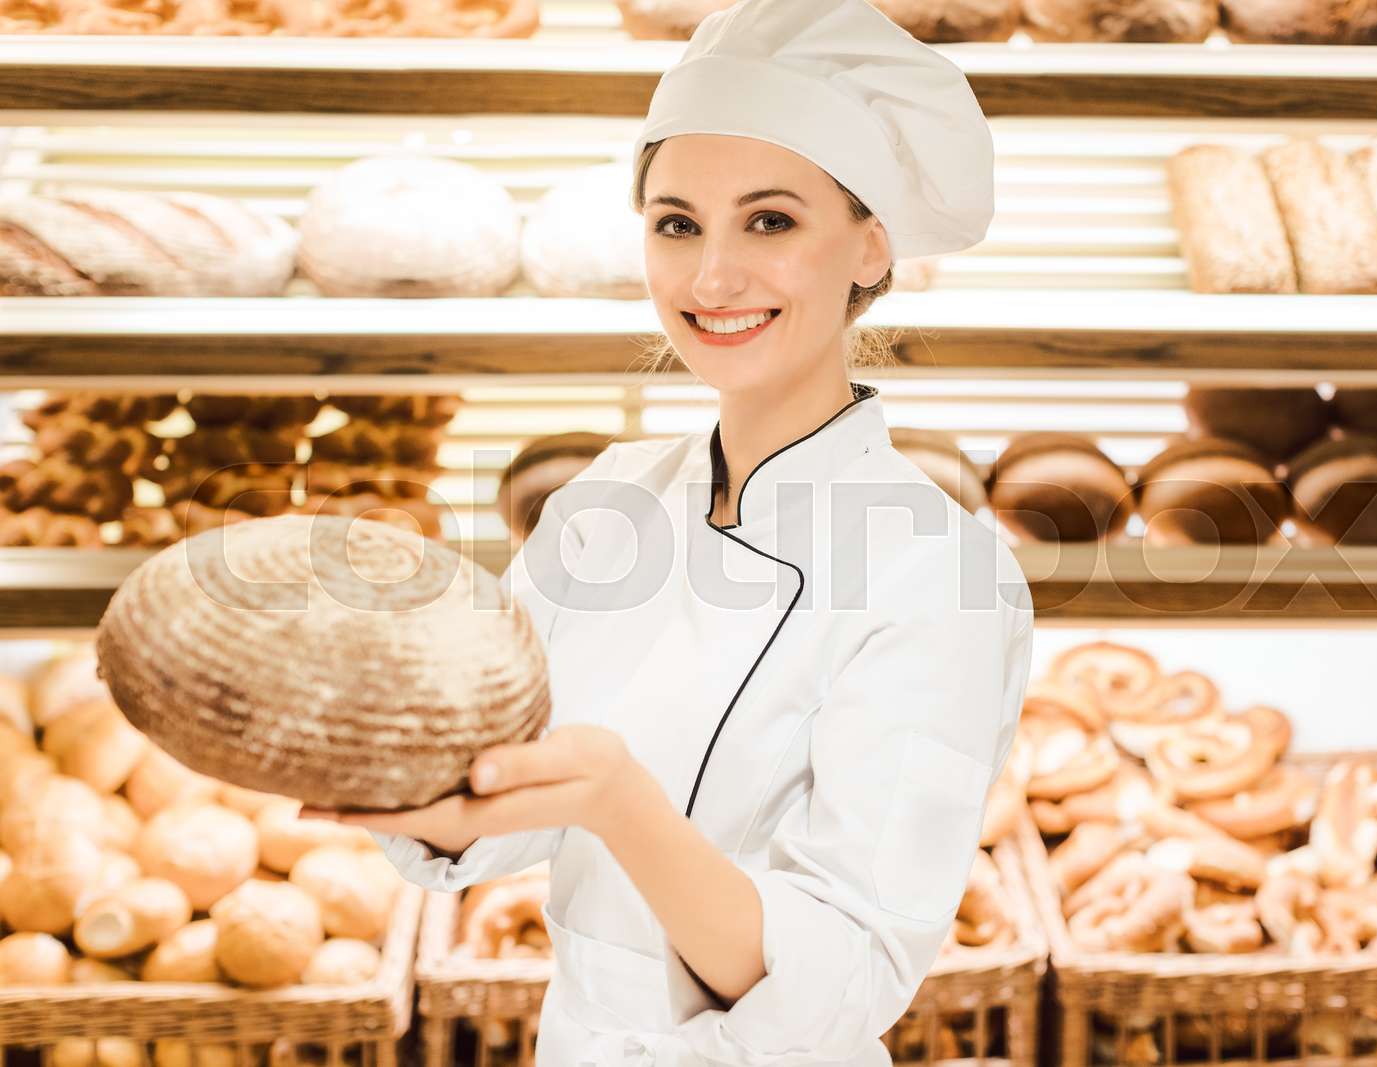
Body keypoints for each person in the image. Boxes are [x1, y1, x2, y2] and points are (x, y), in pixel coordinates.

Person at [301, 0, 1034, 1062]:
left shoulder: (941, 570)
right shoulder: (610, 499)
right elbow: (529, 796)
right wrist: (426, 794)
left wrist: (617, 801)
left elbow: (844, 979)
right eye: (677, 222)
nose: (711, 277)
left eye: (770, 221)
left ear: (870, 247)